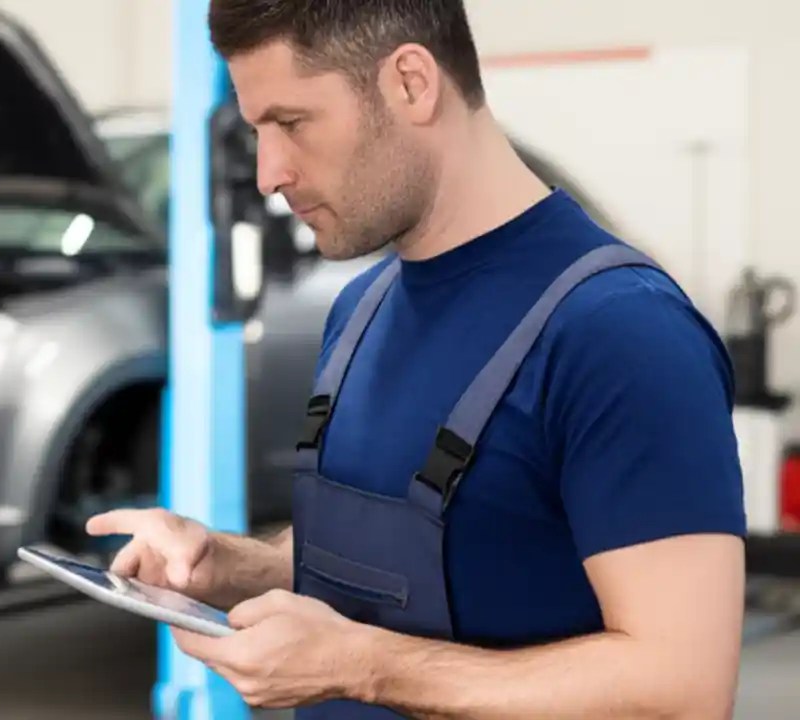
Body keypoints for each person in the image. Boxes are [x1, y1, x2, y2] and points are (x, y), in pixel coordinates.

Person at [86, 0, 748, 717]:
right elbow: (381, 561)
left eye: (292, 123)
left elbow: (683, 687)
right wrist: (218, 565)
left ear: (410, 82)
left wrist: (366, 666)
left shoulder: (621, 333)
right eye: (256, 131)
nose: (270, 173)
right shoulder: (362, 309)